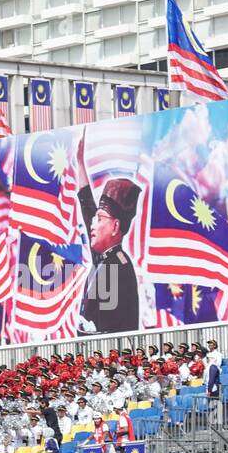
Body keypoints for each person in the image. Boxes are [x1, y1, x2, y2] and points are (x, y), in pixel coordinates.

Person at [75, 136, 139, 336]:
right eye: (95, 219)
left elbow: (109, 326)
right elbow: (87, 208)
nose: (93, 224)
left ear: (115, 226)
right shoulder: (103, 258)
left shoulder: (117, 265)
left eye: (100, 219)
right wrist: (79, 162)